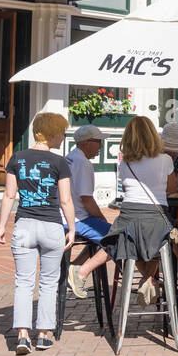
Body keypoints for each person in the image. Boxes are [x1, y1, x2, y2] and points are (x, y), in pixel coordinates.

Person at [0, 112, 75, 355]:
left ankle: (21, 335)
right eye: (61, 132)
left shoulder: (17, 158)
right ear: (51, 134)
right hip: (51, 227)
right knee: (49, 282)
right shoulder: (59, 162)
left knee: (23, 282)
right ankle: (43, 334)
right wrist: (72, 228)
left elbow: (9, 195)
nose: (63, 136)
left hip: (24, 226)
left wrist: (1, 226)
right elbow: (65, 200)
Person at [102, 116, 178, 307]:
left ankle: (146, 278)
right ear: (153, 135)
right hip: (156, 220)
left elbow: (126, 188)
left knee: (130, 242)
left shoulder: (124, 163)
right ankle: (148, 278)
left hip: (129, 219)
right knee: (166, 239)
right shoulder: (165, 159)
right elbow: (172, 188)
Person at [65, 125, 113, 299]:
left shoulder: (69, 157)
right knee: (118, 239)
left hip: (65, 218)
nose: (101, 146)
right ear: (86, 143)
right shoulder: (83, 163)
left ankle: (74, 266)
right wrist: (103, 219)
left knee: (106, 235)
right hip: (78, 219)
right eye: (98, 142)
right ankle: (80, 272)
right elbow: (87, 200)